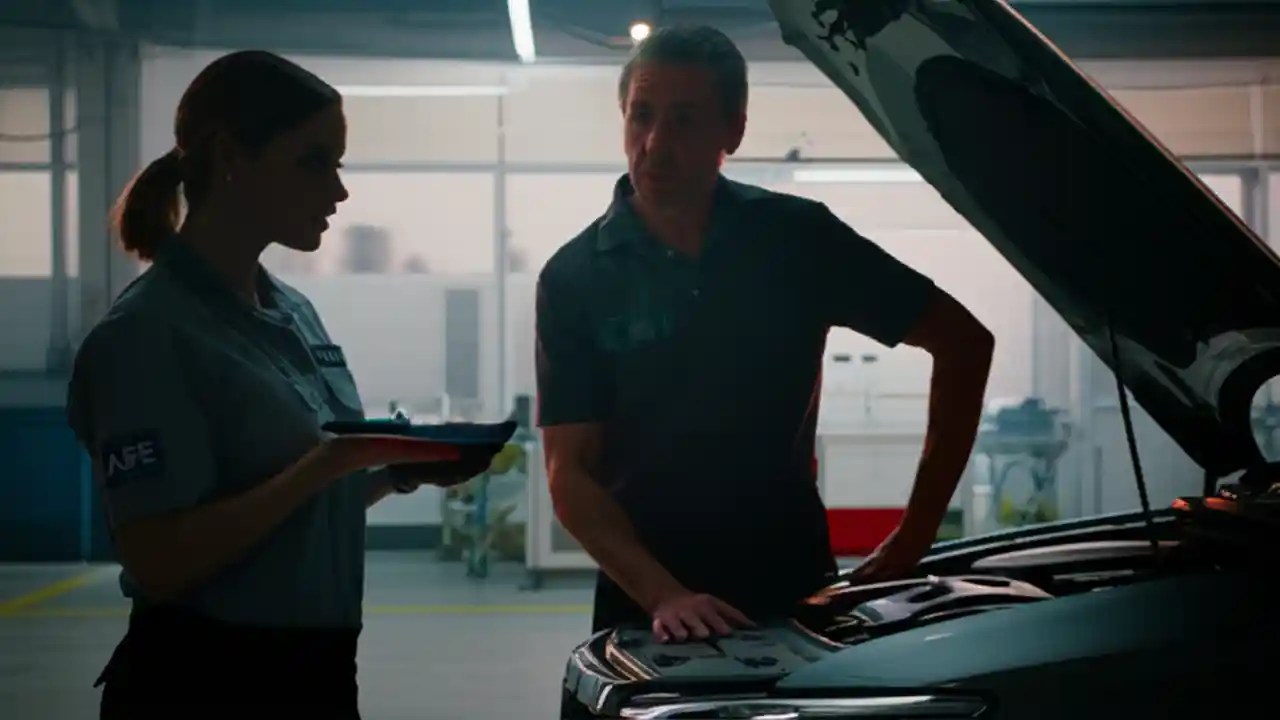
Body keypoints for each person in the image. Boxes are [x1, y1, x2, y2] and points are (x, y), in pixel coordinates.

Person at [535, 25, 994, 648]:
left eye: (685, 120)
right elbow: (570, 474)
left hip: (791, 591)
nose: (654, 145)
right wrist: (664, 594)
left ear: (734, 132)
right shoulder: (575, 277)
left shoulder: (797, 239)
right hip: (648, 611)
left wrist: (916, 533)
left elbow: (964, 342)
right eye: (641, 116)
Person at [65, 50, 489, 718]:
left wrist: (397, 474)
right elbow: (159, 558)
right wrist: (329, 464)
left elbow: (288, 504)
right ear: (232, 157)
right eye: (313, 161)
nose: (339, 191)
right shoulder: (146, 338)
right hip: (209, 683)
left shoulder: (291, 310)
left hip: (316, 675)